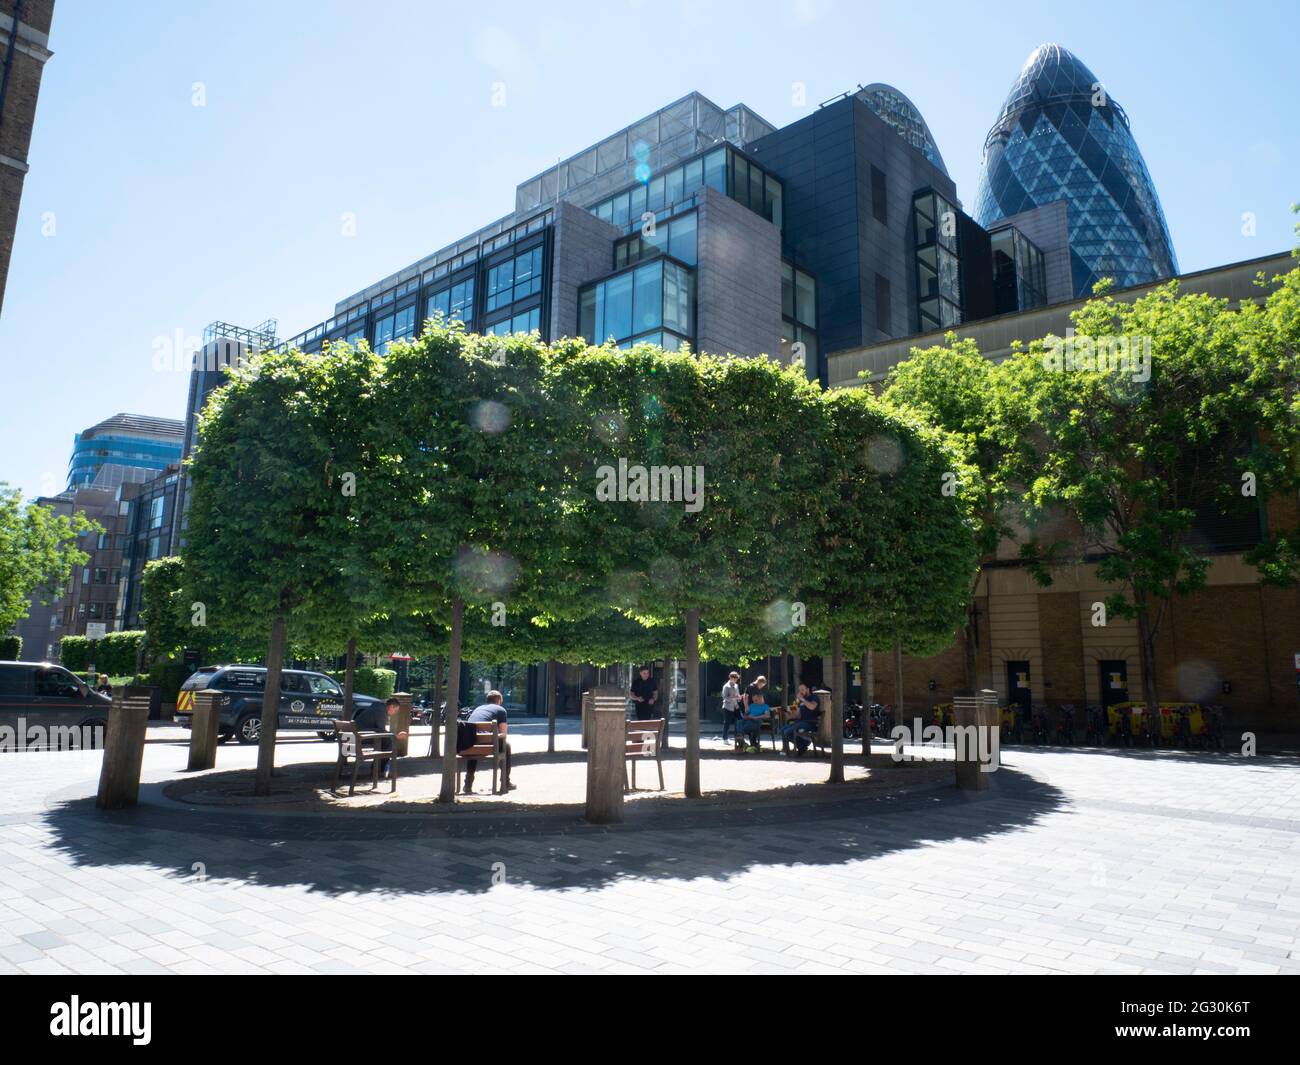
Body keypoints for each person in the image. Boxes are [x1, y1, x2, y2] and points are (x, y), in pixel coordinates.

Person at [460, 689, 513, 793]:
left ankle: (468, 784)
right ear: (498, 700)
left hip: (468, 745)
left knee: (474, 743)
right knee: (506, 746)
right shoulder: (501, 710)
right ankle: (505, 782)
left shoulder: (478, 708)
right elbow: (503, 734)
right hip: (486, 745)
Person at [351, 697, 406, 779]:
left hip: (354, 736)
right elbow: (381, 731)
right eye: (395, 711)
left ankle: (378, 769)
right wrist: (396, 736)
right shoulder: (381, 712)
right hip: (360, 737)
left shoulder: (377, 707)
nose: (394, 713)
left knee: (387, 739)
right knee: (388, 740)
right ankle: (378, 771)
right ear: (391, 707)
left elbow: (380, 730)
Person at [783, 684, 821, 755]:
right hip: (801, 722)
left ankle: (802, 745)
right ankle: (802, 745)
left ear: (807, 689)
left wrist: (803, 699)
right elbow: (798, 715)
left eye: (802, 690)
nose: (801, 692)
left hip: (811, 723)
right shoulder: (801, 701)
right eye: (799, 690)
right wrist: (791, 714)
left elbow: (812, 707)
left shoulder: (814, 697)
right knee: (783, 730)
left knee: (787, 732)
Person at [736, 687, 769, 752]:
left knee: (745, 726)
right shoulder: (752, 705)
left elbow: (767, 715)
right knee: (739, 721)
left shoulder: (765, 706)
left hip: (757, 721)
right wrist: (746, 705)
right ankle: (741, 738)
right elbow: (746, 713)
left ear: (760, 698)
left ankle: (741, 740)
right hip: (748, 719)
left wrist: (755, 717)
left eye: (756, 700)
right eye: (753, 700)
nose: (754, 701)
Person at [720, 671, 742, 743]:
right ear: (731, 678)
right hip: (728, 707)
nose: (736, 680)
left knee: (739, 721)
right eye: (735, 679)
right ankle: (725, 738)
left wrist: (739, 698)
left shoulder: (736, 686)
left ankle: (738, 737)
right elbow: (724, 697)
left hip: (735, 706)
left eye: (736, 679)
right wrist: (733, 698)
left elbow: (737, 695)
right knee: (727, 722)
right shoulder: (726, 686)